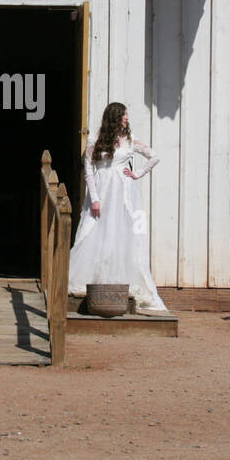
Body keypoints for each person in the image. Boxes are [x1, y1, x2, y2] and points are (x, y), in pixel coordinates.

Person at [68, 102, 167, 314]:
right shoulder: (96, 140)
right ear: (114, 118)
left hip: (123, 192)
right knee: (93, 231)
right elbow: (88, 170)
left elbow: (154, 156)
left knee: (121, 233)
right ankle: (91, 278)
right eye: (124, 115)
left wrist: (138, 173)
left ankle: (119, 281)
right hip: (102, 190)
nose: (127, 119)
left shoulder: (130, 141)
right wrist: (94, 199)